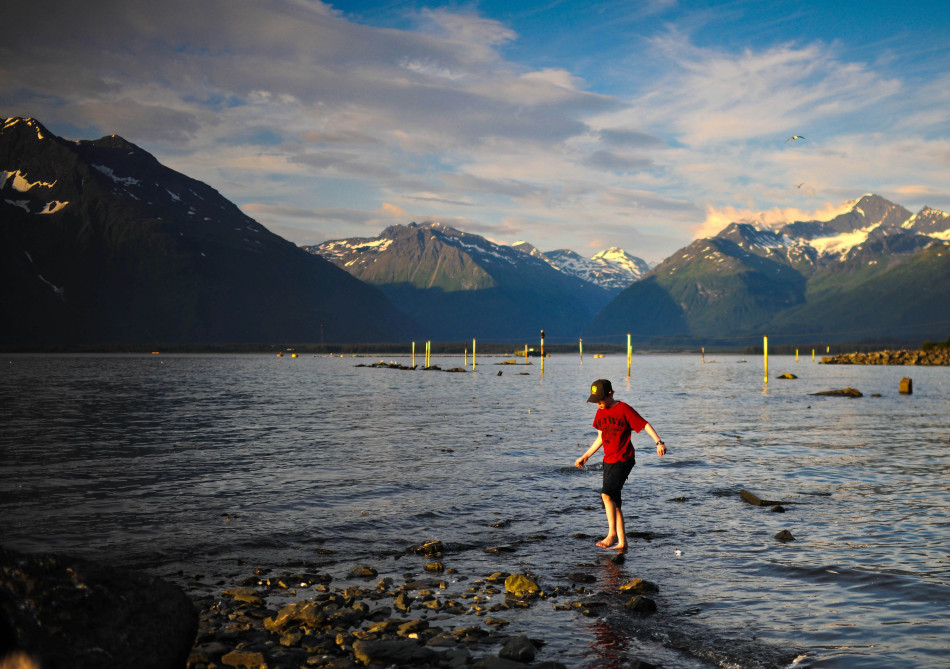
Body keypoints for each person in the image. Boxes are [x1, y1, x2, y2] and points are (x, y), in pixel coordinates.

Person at [574, 379, 666, 553]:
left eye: (601, 399)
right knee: (614, 501)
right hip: (608, 461)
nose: (598, 403)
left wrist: (658, 442)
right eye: (595, 401)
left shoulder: (623, 409)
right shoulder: (600, 413)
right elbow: (600, 438)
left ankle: (612, 534)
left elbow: (644, 424)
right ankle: (622, 543)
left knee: (606, 494)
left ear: (611, 394)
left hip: (624, 459)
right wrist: (585, 456)